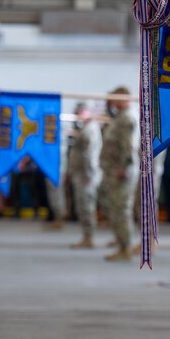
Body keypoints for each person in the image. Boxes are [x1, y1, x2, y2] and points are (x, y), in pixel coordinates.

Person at [98, 87, 137, 262]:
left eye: (114, 99)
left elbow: (128, 146)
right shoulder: (119, 117)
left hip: (121, 172)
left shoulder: (127, 119)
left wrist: (125, 167)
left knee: (121, 210)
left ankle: (125, 248)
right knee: (117, 209)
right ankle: (122, 244)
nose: (112, 103)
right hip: (114, 171)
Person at [67, 102, 102, 249]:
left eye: (80, 112)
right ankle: (87, 236)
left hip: (86, 175)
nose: (78, 115)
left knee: (87, 206)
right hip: (82, 174)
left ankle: (89, 237)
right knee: (83, 206)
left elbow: (90, 154)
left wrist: (88, 174)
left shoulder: (90, 129)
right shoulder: (86, 128)